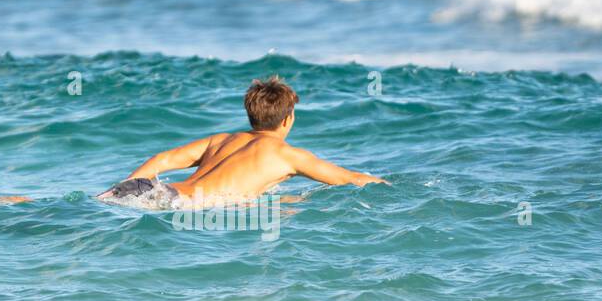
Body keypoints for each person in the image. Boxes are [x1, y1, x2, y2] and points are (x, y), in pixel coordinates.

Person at [99, 76, 387, 206]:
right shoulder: (286, 155)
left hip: (146, 187)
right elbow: (348, 178)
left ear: (251, 116)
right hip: (177, 203)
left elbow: (163, 159)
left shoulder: (221, 140)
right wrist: (390, 188)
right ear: (287, 120)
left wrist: (123, 188)